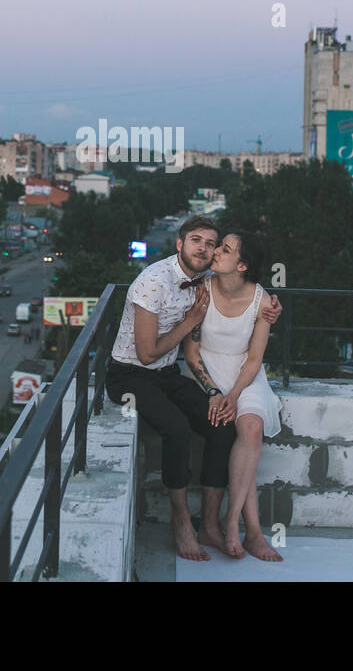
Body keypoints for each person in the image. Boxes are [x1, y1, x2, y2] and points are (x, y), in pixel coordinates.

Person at [104, 216, 282, 561]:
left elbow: (247, 290)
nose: (205, 249)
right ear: (179, 244)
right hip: (130, 374)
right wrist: (190, 322)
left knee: (221, 426)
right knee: (177, 429)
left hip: (166, 372)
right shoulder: (151, 282)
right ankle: (182, 521)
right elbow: (146, 352)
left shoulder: (204, 276)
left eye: (212, 244)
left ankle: (212, 525)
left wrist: (274, 305)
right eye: (196, 240)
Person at [182, 231, 283, 562]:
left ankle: (231, 521)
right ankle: (251, 531)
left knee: (251, 427)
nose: (215, 253)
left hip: (245, 374)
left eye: (224, 250)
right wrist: (215, 391)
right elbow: (191, 352)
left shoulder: (263, 302)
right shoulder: (202, 289)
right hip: (206, 372)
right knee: (243, 440)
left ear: (241, 266)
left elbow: (254, 359)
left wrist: (235, 394)